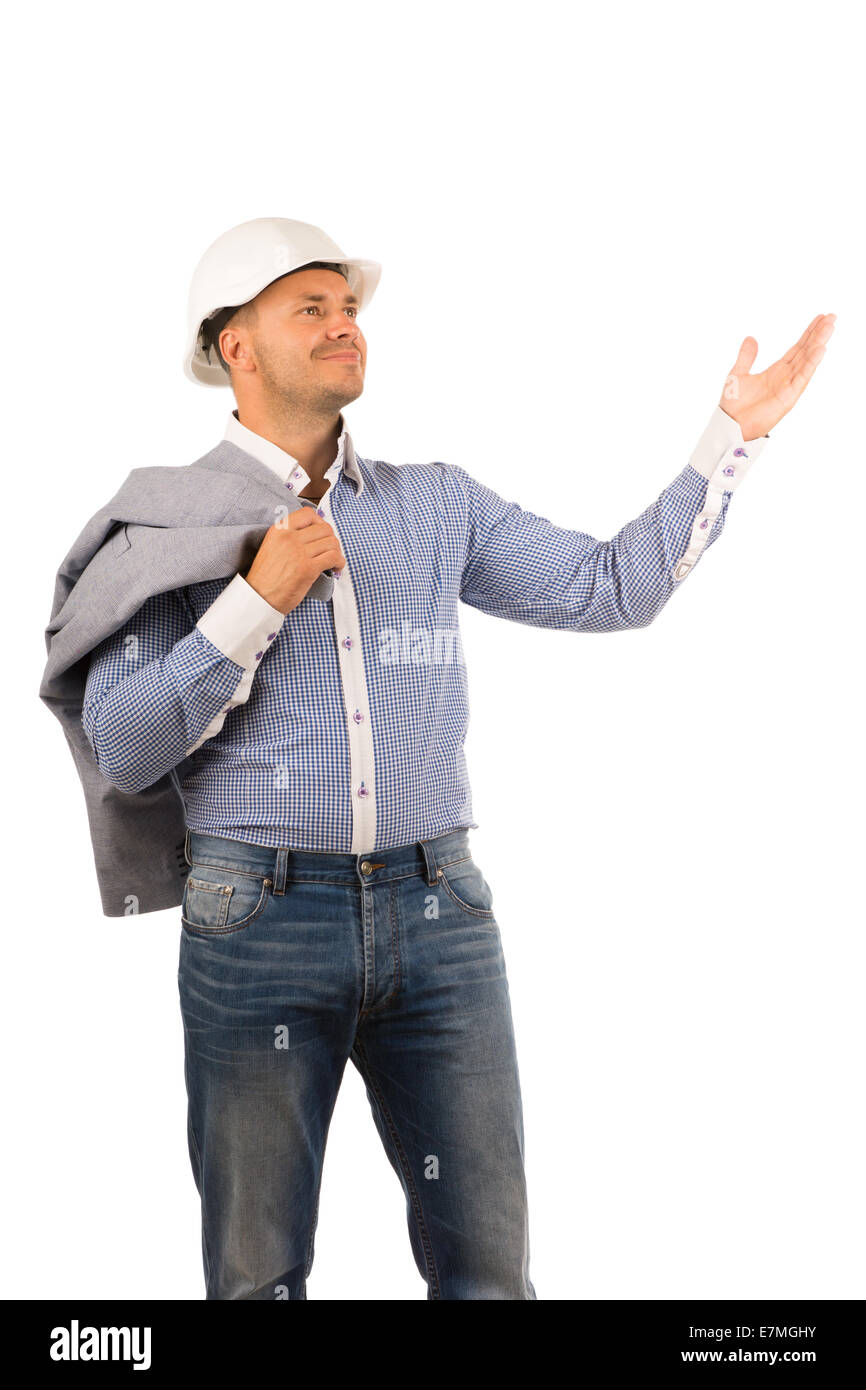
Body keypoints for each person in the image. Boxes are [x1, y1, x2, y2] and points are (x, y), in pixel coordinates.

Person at [81, 217, 835, 1299]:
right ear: (233, 345)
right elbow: (125, 743)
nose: (346, 326)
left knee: (487, 1273)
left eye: (350, 308)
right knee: (256, 1277)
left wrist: (729, 438)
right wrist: (253, 603)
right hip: (256, 921)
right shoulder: (159, 525)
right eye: (313, 308)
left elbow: (609, 588)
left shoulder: (432, 504)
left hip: (440, 914)